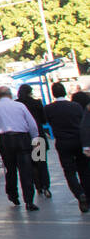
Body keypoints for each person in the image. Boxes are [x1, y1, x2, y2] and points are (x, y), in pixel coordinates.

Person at [0, 86, 41, 211]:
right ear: (10, 95)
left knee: (10, 169)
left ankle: (13, 195)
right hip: (22, 139)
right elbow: (31, 124)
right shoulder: (19, 106)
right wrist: (35, 138)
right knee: (26, 170)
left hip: (5, 140)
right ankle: (29, 201)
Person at [45, 83, 90, 212]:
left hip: (63, 143)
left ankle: (79, 194)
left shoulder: (49, 108)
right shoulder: (75, 106)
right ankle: (87, 195)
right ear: (65, 92)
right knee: (84, 170)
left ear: (53, 93)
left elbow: (47, 121)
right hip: (78, 140)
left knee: (69, 172)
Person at [16, 84, 53, 198]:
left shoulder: (17, 104)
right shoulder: (36, 103)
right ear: (30, 92)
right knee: (41, 162)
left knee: (31, 165)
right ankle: (46, 186)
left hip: (24, 137)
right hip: (38, 136)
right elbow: (43, 120)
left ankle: (38, 186)